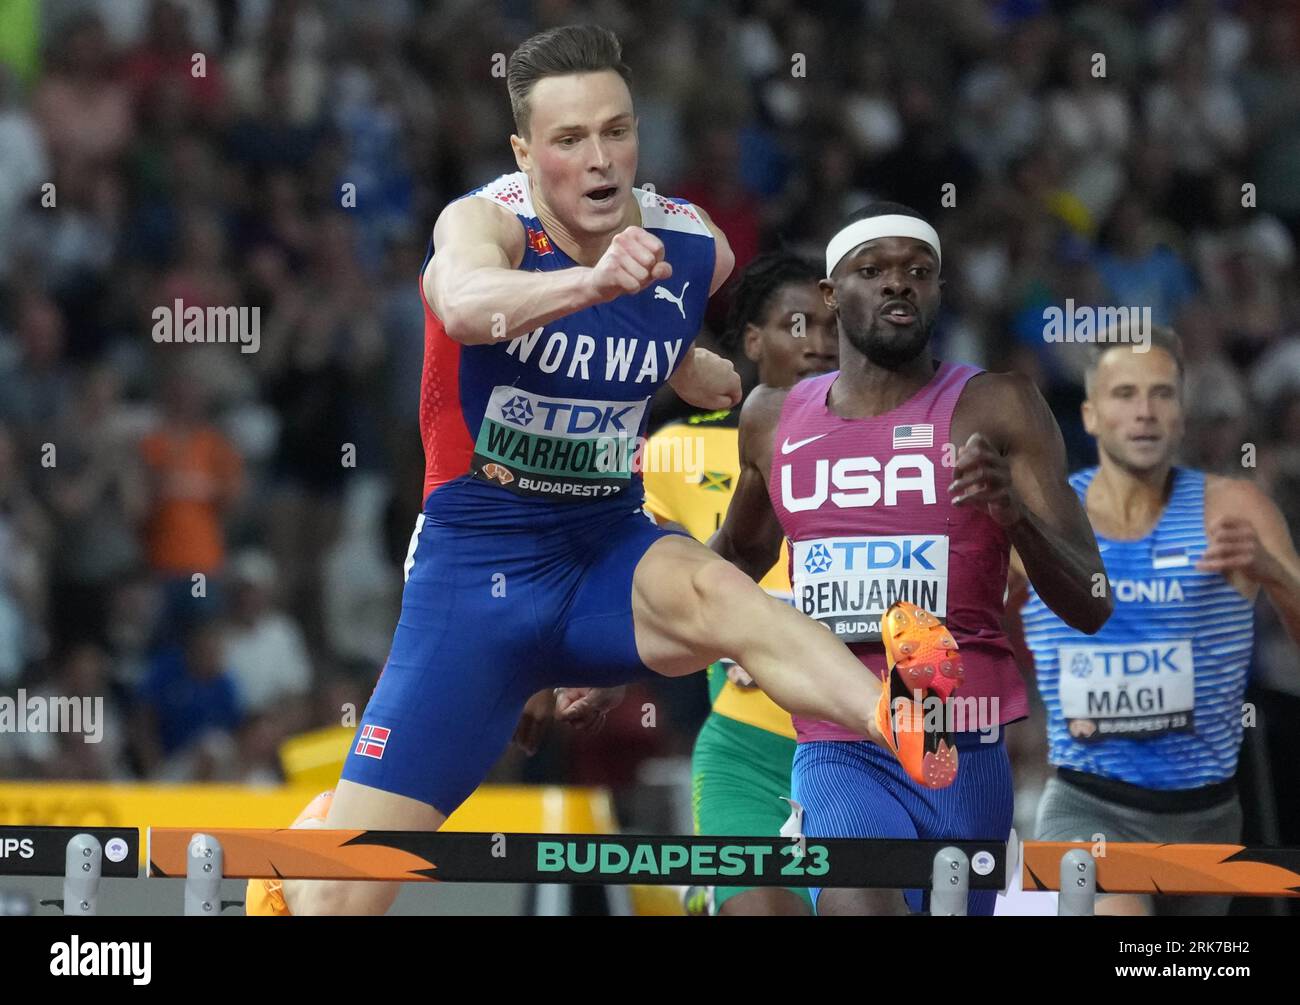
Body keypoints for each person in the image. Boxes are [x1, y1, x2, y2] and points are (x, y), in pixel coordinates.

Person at [262, 26, 938, 917]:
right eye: (569, 139)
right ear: (524, 152)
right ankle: (314, 844)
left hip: (605, 546)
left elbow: (657, 320)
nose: (598, 159)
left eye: (616, 132)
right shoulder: (482, 222)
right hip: (476, 571)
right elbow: (463, 305)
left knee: (725, 599)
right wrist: (594, 287)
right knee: (338, 905)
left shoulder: (692, 244)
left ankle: (898, 716)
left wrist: (683, 361)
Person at [713, 202, 1112, 916]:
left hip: (967, 742)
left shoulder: (997, 406)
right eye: (874, 270)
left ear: (937, 290)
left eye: (918, 272)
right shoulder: (772, 417)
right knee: (853, 903)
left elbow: (1092, 599)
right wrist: (621, 663)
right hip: (841, 736)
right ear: (832, 298)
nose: (899, 284)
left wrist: (1013, 517)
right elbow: (730, 563)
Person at [1017, 325, 1300, 916]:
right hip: (1086, 806)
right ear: (1091, 414)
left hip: (1209, 815)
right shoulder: (1048, 519)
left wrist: (1273, 571)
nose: (1144, 412)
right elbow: (969, 631)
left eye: (1162, 394)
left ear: (1181, 411)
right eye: (1124, 395)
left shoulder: (1234, 507)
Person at [645, 251, 837, 916]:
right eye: (796, 324)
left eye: (833, 326)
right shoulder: (676, 453)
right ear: (752, 340)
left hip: (857, 752)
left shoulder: (890, 452)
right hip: (745, 746)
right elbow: (632, 581)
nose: (819, 343)